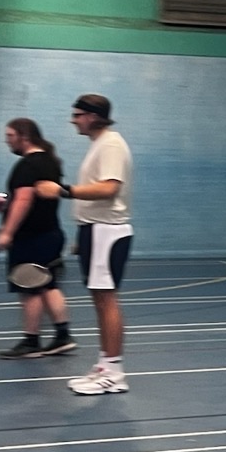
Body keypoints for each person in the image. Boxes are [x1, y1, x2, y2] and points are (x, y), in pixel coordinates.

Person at [34, 94, 133, 396]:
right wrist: (82, 235)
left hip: (108, 231)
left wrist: (63, 191)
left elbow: (109, 189)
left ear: (93, 116)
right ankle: (105, 366)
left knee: (107, 300)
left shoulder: (112, 144)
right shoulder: (100, 145)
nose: (73, 120)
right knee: (100, 301)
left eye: (77, 115)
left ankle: (115, 372)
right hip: (95, 230)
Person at [0, 118, 73, 359]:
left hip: (31, 238)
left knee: (30, 289)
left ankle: (31, 341)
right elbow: (24, 195)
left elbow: (24, 200)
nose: (7, 141)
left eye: (10, 136)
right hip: (50, 234)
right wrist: (5, 198)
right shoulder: (50, 161)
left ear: (24, 136)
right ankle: (62, 336)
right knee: (48, 285)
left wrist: (7, 232)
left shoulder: (27, 165)